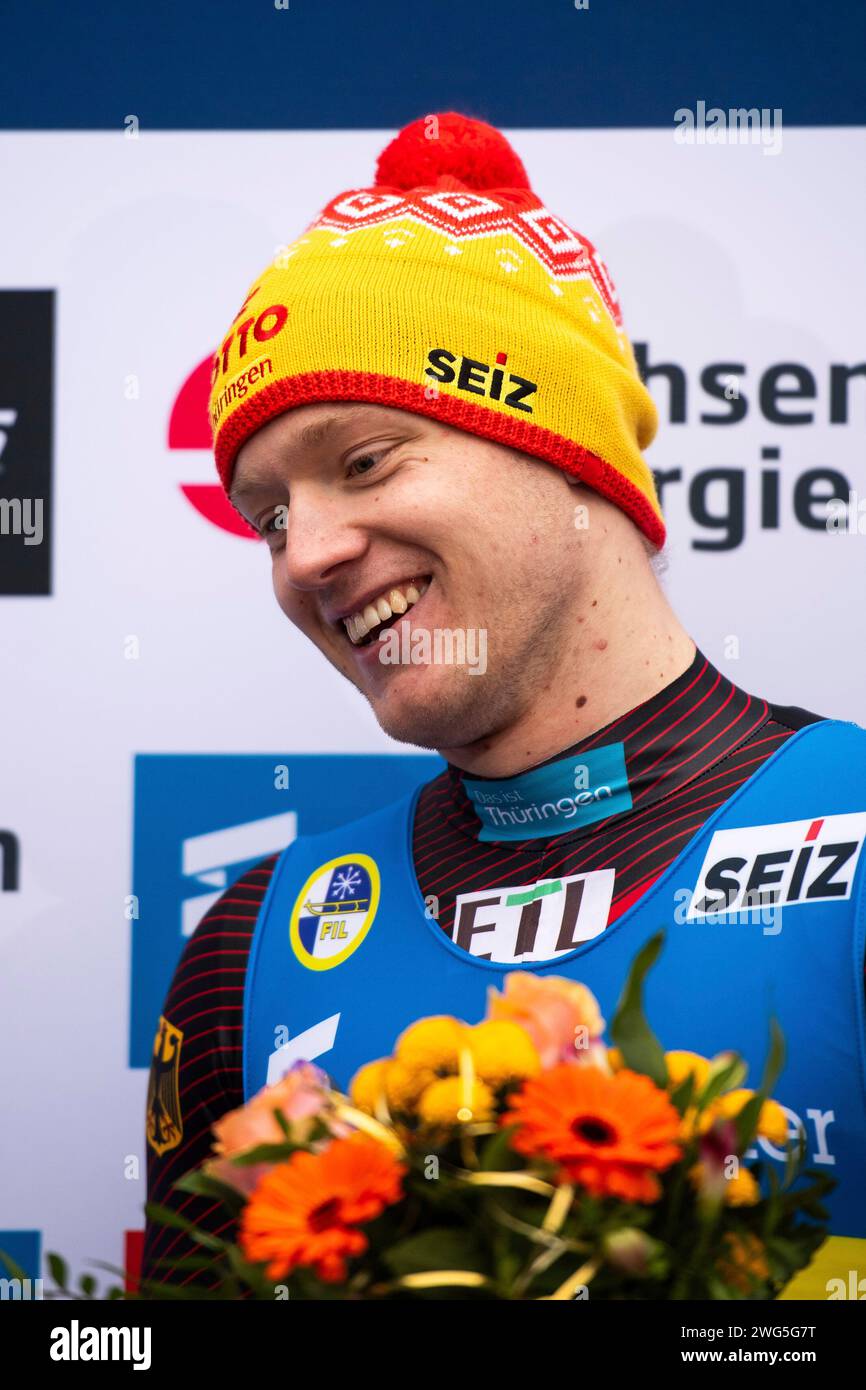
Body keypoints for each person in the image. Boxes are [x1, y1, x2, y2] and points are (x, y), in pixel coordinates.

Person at [143, 112, 866, 1297]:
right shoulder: (246, 944)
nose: (304, 555)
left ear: (569, 454)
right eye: (267, 517)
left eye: (366, 459)